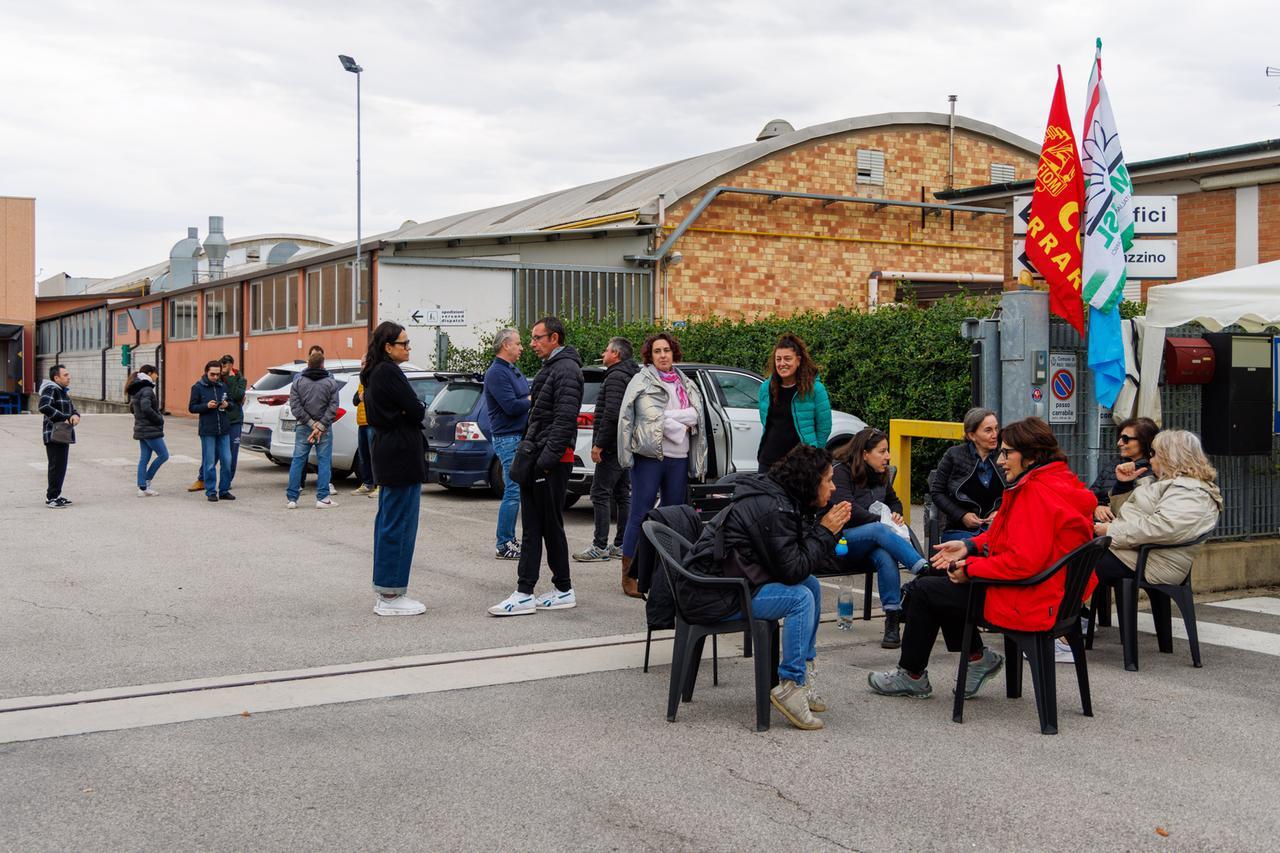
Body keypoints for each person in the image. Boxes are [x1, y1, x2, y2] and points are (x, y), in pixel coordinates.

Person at [868, 417, 1096, 700]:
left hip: (1030, 598)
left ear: (1032, 455)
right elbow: (1011, 537)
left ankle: (915, 674)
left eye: (1008, 452)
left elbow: (1023, 562)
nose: (1001, 460)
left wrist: (972, 569)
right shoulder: (1056, 481)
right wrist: (970, 548)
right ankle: (971, 659)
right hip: (1051, 593)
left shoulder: (1036, 493)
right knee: (936, 576)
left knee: (927, 590)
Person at [683, 445, 853, 731]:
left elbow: (796, 565)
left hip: (732, 583)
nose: (834, 488)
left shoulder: (782, 499)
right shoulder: (775, 508)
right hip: (714, 594)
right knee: (800, 597)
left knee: (809, 586)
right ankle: (791, 684)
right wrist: (824, 531)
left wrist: (819, 525)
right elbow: (793, 568)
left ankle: (802, 678)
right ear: (809, 481)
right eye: (828, 480)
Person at [488, 317, 583, 617]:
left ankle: (525, 592)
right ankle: (562, 588)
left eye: (537, 338)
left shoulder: (566, 370)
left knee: (537, 527)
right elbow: (541, 417)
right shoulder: (553, 368)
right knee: (543, 525)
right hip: (541, 458)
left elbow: (563, 421)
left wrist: (543, 463)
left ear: (554, 338)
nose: (531, 344)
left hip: (549, 461)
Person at [617, 332, 706, 589]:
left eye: (666, 350)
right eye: (657, 351)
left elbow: (696, 414)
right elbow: (644, 417)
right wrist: (680, 425)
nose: (663, 355)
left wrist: (672, 418)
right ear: (650, 355)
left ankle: (666, 571)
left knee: (672, 515)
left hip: (679, 458)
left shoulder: (685, 382)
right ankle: (629, 575)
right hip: (649, 457)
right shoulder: (640, 381)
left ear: (673, 352)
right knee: (640, 513)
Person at [831, 427, 929, 649]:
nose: (888, 457)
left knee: (885, 555)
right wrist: (882, 520)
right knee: (879, 530)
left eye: (888, 451)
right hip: (841, 542)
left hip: (871, 543)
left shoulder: (881, 475)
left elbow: (895, 502)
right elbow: (848, 510)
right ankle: (922, 568)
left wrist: (895, 514)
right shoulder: (841, 473)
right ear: (865, 453)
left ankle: (892, 619)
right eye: (882, 451)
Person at [1094, 430, 1222, 587]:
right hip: (1137, 553)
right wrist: (1123, 485)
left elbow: (1163, 527)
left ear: (1170, 457)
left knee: (1075, 563)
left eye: (1153, 453)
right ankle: (1076, 610)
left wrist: (1111, 532)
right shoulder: (1170, 484)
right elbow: (1128, 515)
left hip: (1153, 563)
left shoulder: (1191, 491)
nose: (1150, 459)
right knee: (1072, 551)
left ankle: (1070, 610)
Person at [362, 321, 428, 616]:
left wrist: (408, 409)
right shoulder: (388, 371)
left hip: (390, 451)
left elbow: (409, 410)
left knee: (390, 521)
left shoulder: (374, 372)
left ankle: (387, 590)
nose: (408, 347)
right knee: (399, 524)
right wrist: (411, 408)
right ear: (388, 347)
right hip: (399, 453)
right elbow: (416, 410)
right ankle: (391, 594)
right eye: (404, 343)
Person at [574, 339, 640, 577]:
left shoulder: (614, 377)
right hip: (625, 445)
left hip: (611, 446)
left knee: (599, 493)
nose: (603, 354)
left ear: (616, 354)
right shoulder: (631, 374)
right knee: (623, 494)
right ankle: (621, 543)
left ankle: (600, 545)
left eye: (606, 350)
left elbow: (612, 413)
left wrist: (599, 445)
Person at [483, 327, 531, 560]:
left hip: (519, 436)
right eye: (518, 343)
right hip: (507, 437)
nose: (522, 347)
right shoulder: (496, 373)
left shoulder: (511, 370)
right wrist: (531, 399)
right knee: (512, 491)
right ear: (506, 345)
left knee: (518, 490)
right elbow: (511, 406)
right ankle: (504, 543)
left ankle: (511, 539)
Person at [756, 333, 831, 470]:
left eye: (787, 359)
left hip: (801, 464)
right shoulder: (766, 388)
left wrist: (814, 454)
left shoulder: (815, 389)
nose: (782, 363)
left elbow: (824, 426)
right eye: (778, 359)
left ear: (798, 360)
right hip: (769, 461)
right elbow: (765, 421)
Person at [929, 407, 1004, 542]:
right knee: (973, 550)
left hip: (996, 529)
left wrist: (1001, 512)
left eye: (996, 428)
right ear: (971, 435)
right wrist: (962, 515)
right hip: (959, 530)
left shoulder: (1004, 456)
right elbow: (937, 492)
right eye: (988, 430)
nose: (995, 435)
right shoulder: (953, 455)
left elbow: (1015, 492)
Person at [285, 349, 340, 509]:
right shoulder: (331, 382)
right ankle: (323, 498)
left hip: (303, 426)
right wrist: (320, 425)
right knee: (323, 462)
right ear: (323, 365)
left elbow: (295, 406)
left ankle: (292, 499)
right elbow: (333, 406)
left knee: (298, 460)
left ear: (308, 364)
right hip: (324, 429)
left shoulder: (298, 382)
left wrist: (310, 423)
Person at [1090, 417, 1159, 522]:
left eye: (1125, 439)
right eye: (1120, 438)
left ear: (1144, 440)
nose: (1119, 443)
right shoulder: (1113, 464)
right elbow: (1091, 495)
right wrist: (1097, 507)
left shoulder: (1156, 469)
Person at [188, 360, 234, 503]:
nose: (215, 377)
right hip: (207, 430)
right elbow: (192, 407)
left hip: (224, 429)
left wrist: (227, 405)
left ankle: (224, 490)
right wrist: (206, 406)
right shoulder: (197, 387)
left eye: (217, 374)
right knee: (209, 462)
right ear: (206, 372)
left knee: (227, 461)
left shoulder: (223, 385)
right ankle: (211, 491)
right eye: (212, 374)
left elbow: (232, 404)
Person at [38, 364, 80, 508]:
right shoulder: (51, 389)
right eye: (65, 375)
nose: (69, 377)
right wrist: (63, 418)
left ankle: (56, 495)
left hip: (62, 434)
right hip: (53, 434)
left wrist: (75, 415)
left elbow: (72, 408)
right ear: (56, 378)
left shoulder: (62, 391)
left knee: (60, 466)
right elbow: (44, 406)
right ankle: (52, 498)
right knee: (56, 466)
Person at [127, 365, 167, 497]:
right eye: (156, 374)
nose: (157, 376)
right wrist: (159, 419)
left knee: (144, 458)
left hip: (141, 428)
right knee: (164, 455)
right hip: (149, 429)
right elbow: (146, 408)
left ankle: (142, 487)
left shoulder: (137, 387)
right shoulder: (147, 389)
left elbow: (133, 408)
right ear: (150, 373)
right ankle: (146, 481)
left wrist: (140, 419)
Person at [350, 358, 378, 498]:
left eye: (364, 363)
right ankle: (368, 483)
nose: (362, 365)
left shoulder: (375, 379)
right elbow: (355, 400)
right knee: (364, 456)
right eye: (360, 363)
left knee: (375, 455)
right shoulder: (362, 381)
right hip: (361, 423)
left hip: (372, 423)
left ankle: (379, 484)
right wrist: (360, 397)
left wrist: (366, 396)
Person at [219, 354, 246, 483]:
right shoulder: (217, 377)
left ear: (231, 365)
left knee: (232, 453)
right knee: (214, 452)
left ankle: (227, 480)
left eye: (226, 364)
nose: (223, 367)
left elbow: (237, 395)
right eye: (222, 364)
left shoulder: (240, 379)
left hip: (235, 420)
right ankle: (203, 478)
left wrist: (230, 378)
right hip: (220, 419)